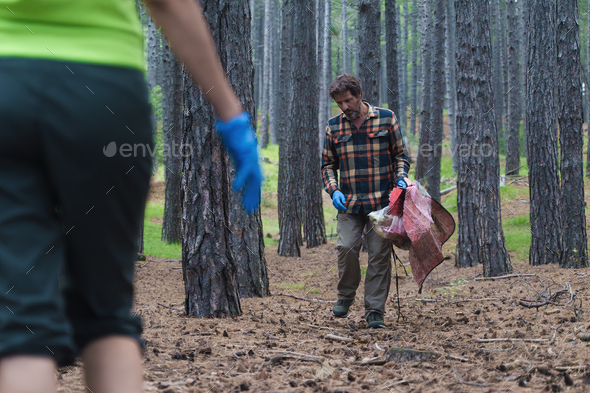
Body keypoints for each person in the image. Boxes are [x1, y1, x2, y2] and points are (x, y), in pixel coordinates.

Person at [0, 0, 262, 392]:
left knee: (18, 322)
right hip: (105, 93)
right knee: (107, 313)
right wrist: (231, 114)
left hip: (8, 88)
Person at [321, 74, 410, 329]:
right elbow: (327, 165)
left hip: (382, 205)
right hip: (348, 204)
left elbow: (401, 155)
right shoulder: (333, 126)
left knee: (379, 256)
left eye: (348, 101)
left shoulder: (386, 118)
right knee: (346, 247)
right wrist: (333, 189)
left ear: (360, 94)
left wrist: (401, 178)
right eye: (339, 103)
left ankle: (374, 312)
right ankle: (345, 296)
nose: (345, 107)